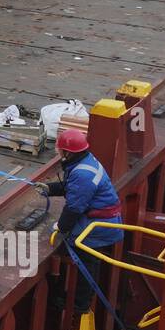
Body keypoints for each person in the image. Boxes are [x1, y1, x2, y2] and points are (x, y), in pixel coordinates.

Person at [44, 128, 124, 315]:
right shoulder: (84, 162)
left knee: (87, 260)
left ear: (68, 153)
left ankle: (80, 303)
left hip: (100, 224)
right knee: (86, 258)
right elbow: (73, 188)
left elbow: (75, 207)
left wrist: (61, 228)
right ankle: (76, 297)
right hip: (101, 216)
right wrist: (49, 188)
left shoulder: (83, 174)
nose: (58, 152)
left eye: (60, 150)